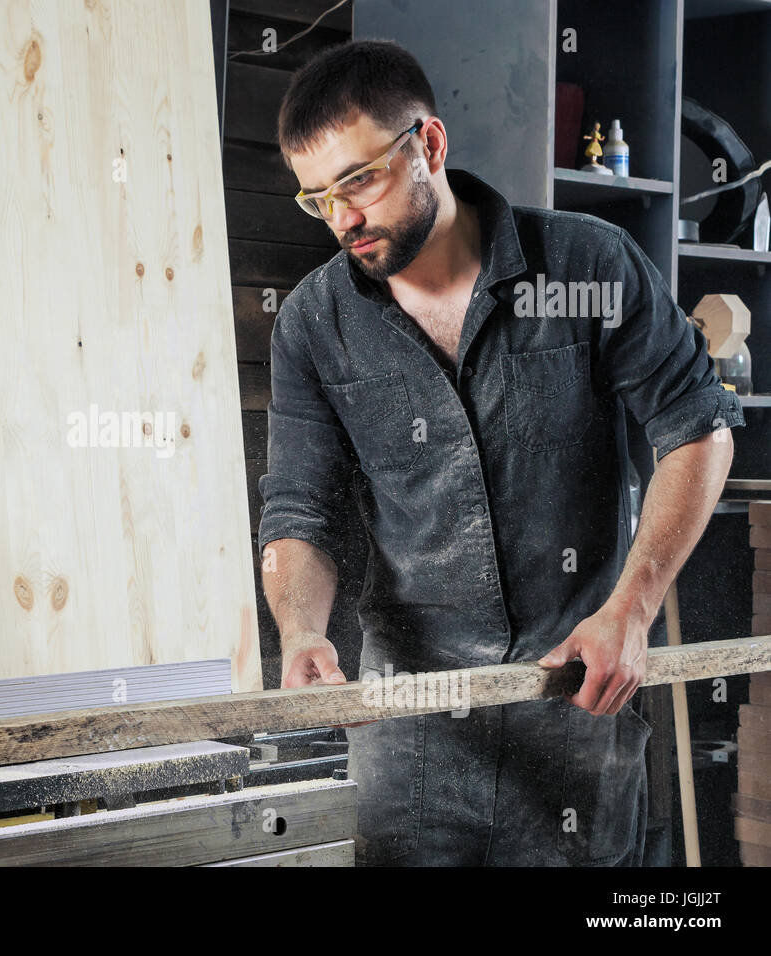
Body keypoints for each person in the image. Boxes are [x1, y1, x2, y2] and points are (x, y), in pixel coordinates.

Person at [258, 40, 742, 866]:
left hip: (576, 707)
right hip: (408, 738)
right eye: (317, 198)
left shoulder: (587, 265)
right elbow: (299, 507)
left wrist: (629, 611)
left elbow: (695, 430)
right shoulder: (312, 324)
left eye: (358, 182)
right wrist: (299, 632)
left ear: (430, 147)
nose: (342, 220)